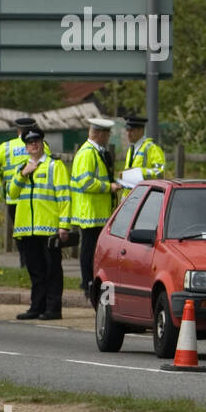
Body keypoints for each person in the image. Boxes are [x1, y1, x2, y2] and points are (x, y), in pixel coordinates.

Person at [9, 127, 71, 320]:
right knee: (35, 269)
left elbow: (64, 196)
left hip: (49, 227)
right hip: (28, 228)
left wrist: (64, 225)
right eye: (29, 143)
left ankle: (53, 308)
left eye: (36, 141)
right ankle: (37, 306)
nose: (33, 145)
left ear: (42, 143)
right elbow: (11, 193)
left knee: (52, 269)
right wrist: (23, 174)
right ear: (26, 147)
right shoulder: (21, 167)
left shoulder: (54, 165)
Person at [71, 117, 123, 299]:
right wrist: (109, 187)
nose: (109, 137)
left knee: (94, 250)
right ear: (100, 134)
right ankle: (87, 284)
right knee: (88, 249)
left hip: (99, 211)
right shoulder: (87, 154)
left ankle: (91, 283)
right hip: (90, 212)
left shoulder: (97, 152)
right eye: (107, 134)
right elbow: (85, 183)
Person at [0, 116, 47, 265]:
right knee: (36, 232)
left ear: (18, 130)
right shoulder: (42, 145)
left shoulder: (6, 147)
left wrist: (1, 180)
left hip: (14, 197)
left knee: (20, 232)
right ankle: (37, 261)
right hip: (37, 197)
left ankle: (24, 262)